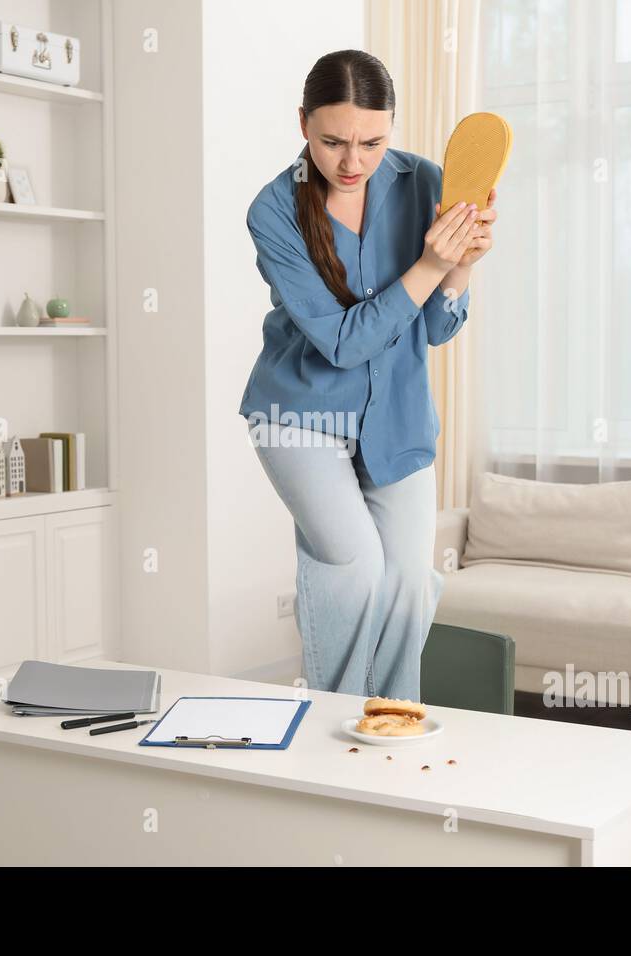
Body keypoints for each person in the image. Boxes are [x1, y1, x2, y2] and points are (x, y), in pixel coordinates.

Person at [238, 49, 497, 701]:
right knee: (354, 567)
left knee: (409, 576)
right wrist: (430, 266)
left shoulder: (424, 183)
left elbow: (435, 329)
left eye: (372, 142)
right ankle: (337, 728)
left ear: (393, 128)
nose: (351, 161)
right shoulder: (273, 211)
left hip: (398, 416)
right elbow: (344, 344)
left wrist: (461, 264)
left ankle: (389, 719)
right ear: (303, 125)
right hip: (300, 416)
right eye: (332, 142)